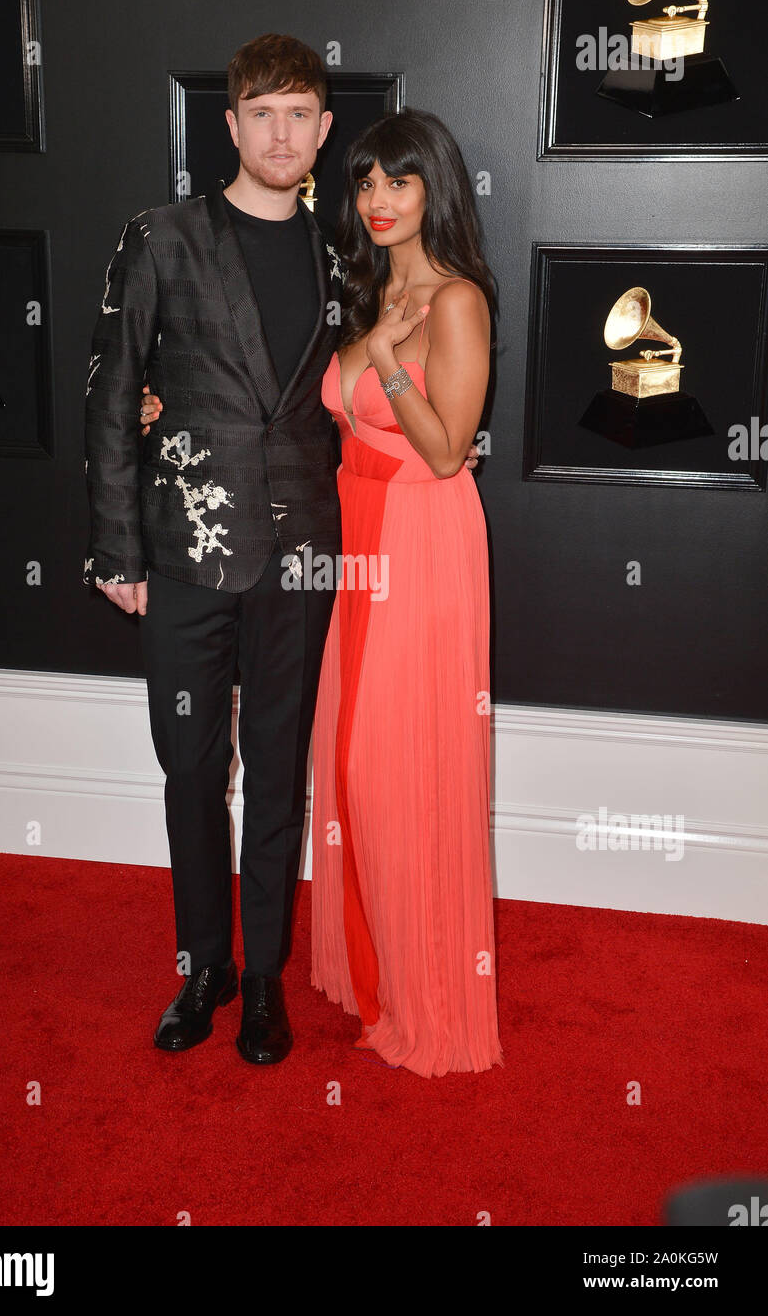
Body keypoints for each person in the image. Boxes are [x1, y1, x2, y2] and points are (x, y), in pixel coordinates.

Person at [83, 34, 343, 1065]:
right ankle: (206, 966)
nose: (281, 133)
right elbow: (112, 393)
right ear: (229, 126)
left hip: (301, 555)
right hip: (185, 549)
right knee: (190, 769)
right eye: (262, 114)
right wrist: (116, 549)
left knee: (276, 772)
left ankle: (266, 976)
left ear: (324, 132)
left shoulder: (345, 253)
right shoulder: (161, 237)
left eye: (300, 115)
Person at [308, 110, 503, 1077]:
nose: (378, 202)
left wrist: (388, 354)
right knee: (345, 765)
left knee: (401, 764)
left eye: (399, 182)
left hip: (423, 540)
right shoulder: (363, 284)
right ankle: (368, 969)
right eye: (364, 184)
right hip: (355, 537)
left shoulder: (454, 301)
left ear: (435, 189)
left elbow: (443, 451)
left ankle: (425, 995)